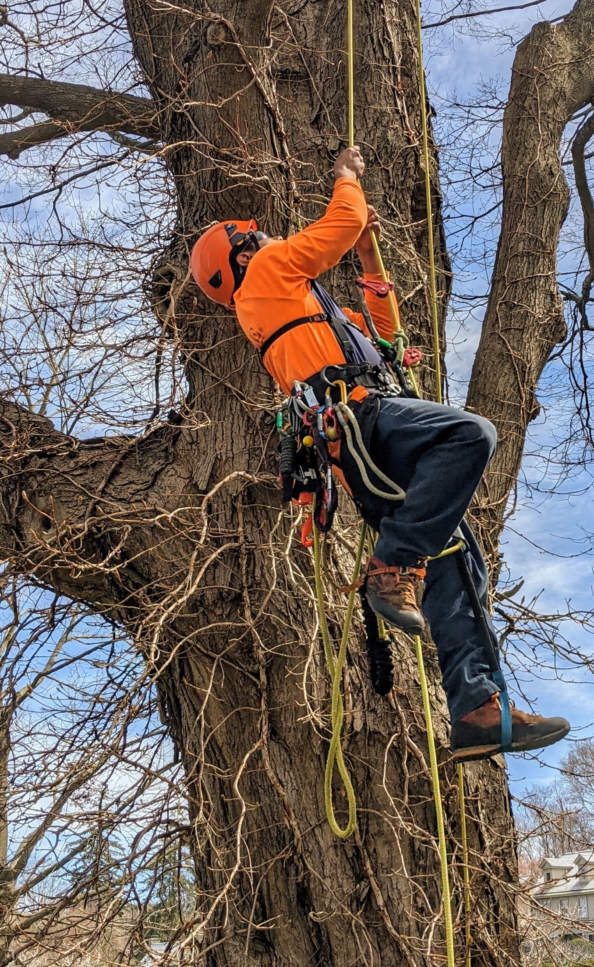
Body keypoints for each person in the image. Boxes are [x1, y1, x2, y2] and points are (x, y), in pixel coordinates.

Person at [190, 146, 570, 761]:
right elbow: (337, 225)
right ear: (243, 252)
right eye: (258, 236)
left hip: (368, 427)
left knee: (455, 561)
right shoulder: (265, 276)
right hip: (362, 423)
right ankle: (391, 566)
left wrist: (370, 255)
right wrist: (347, 180)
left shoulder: (301, 306)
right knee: (469, 434)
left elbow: (386, 342)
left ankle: (475, 708)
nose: (269, 236)